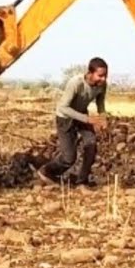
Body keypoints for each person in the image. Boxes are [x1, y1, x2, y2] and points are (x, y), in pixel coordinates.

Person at [37, 57, 109, 187]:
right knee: (69, 158)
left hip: (82, 115)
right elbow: (63, 108)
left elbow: (100, 102)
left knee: (91, 144)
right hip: (66, 118)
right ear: (90, 73)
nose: (103, 79)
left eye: (105, 75)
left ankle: (82, 180)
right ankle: (47, 171)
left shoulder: (102, 85)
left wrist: (103, 117)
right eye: (100, 76)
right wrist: (87, 119)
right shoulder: (76, 83)